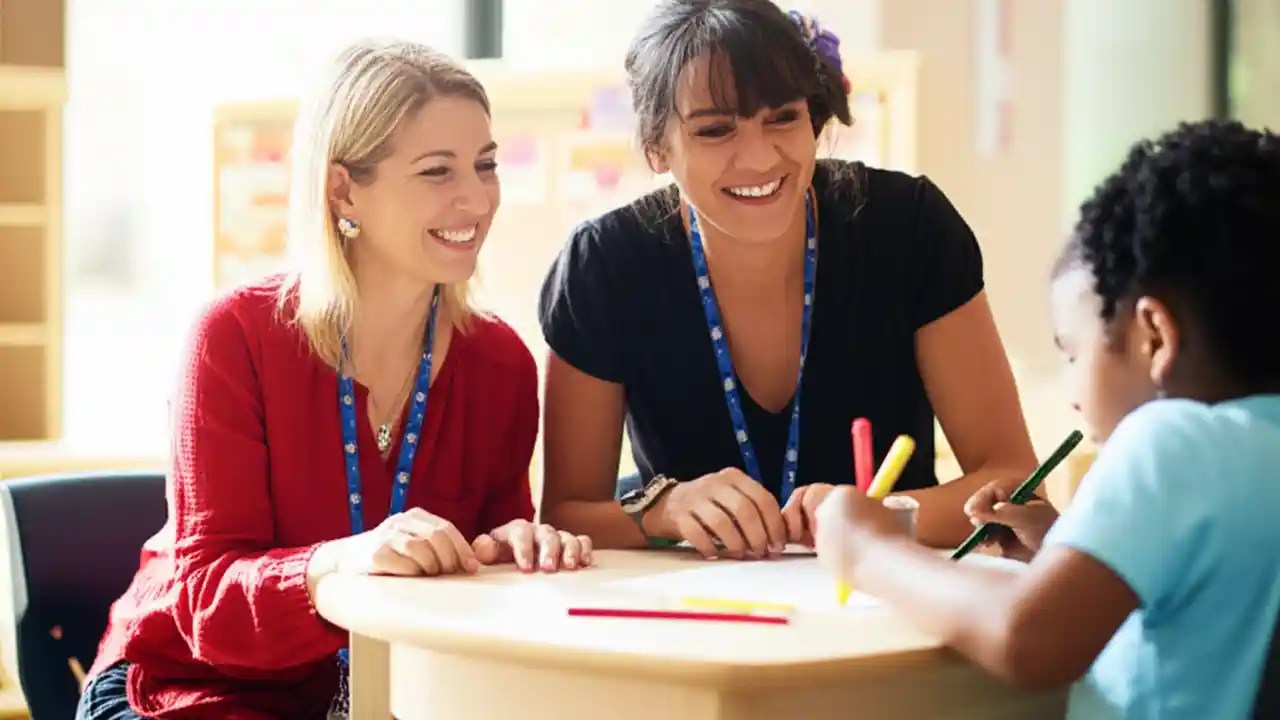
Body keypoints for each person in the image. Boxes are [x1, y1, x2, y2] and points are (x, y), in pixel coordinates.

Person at [76, 39, 592, 720]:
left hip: (384, 697)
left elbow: (490, 566)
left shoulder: (499, 361)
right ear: (343, 188)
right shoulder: (235, 337)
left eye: (486, 165)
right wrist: (343, 561)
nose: (476, 198)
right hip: (189, 689)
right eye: (437, 172)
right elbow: (206, 602)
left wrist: (519, 551)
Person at [813, 119, 1280, 719]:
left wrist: (869, 549)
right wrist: (1064, 550)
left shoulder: (1170, 442)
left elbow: (1027, 641)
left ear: (1154, 336)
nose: (1070, 384)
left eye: (1071, 350)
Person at [537, 0, 1038, 556]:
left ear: (814, 117)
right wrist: (664, 508)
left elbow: (1014, 479)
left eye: (782, 117)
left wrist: (887, 516)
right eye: (715, 130)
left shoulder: (908, 228)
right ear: (658, 148)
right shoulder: (604, 265)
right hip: (693, 621)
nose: (757, 158)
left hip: (890, 603)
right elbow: (566, 514)